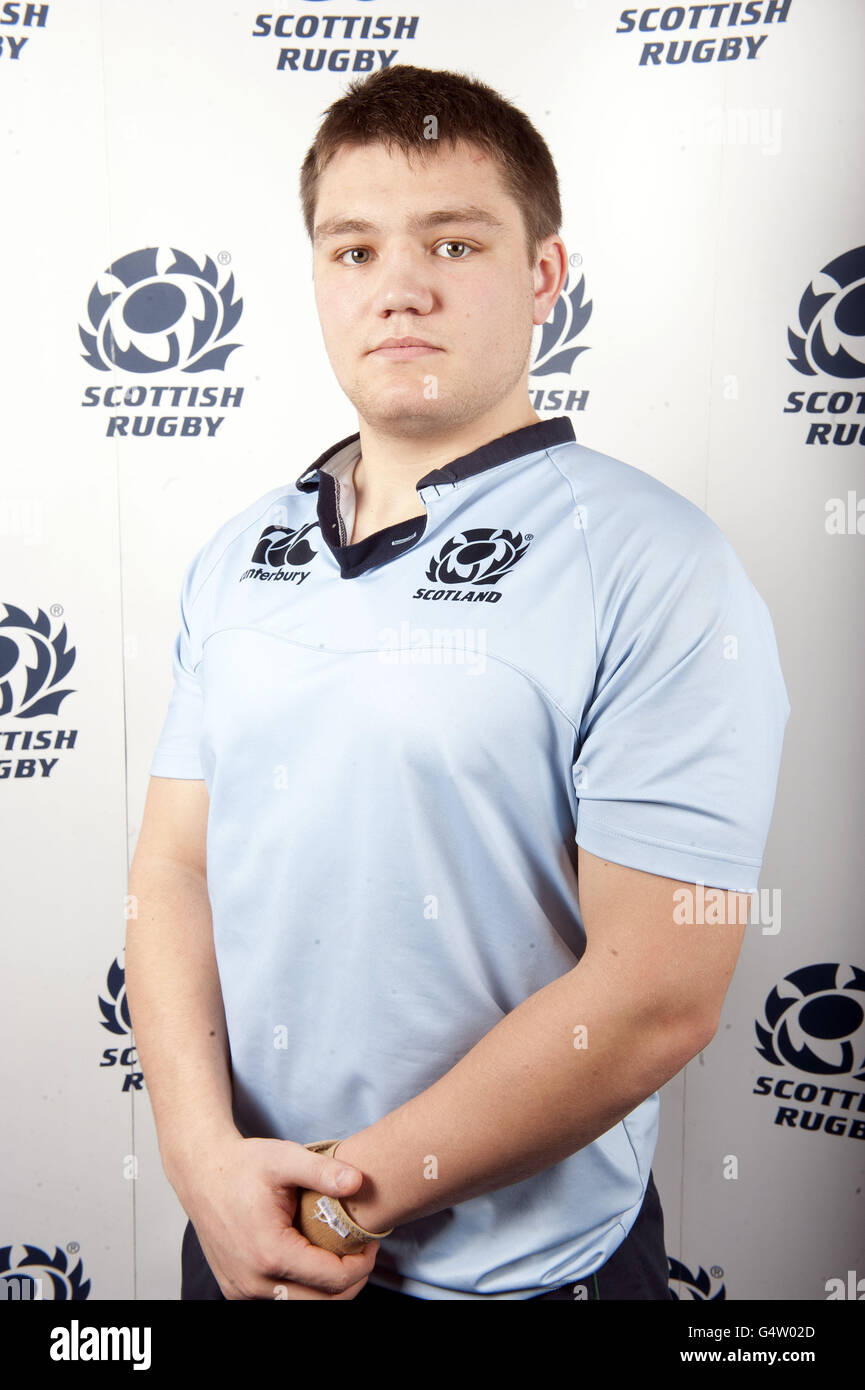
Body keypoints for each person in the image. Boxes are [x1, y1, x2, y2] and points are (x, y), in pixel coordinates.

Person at [125, 64, 791, 1302]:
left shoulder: (655, 563)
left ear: (543, 274)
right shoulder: (237, 554)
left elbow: (655, 995)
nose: (399, 287)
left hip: (520, 1276)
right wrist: (201, 1161)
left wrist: (333, 1206)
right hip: (238, 1236)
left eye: (453, 242)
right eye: (354, 250)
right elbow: (173, 869)